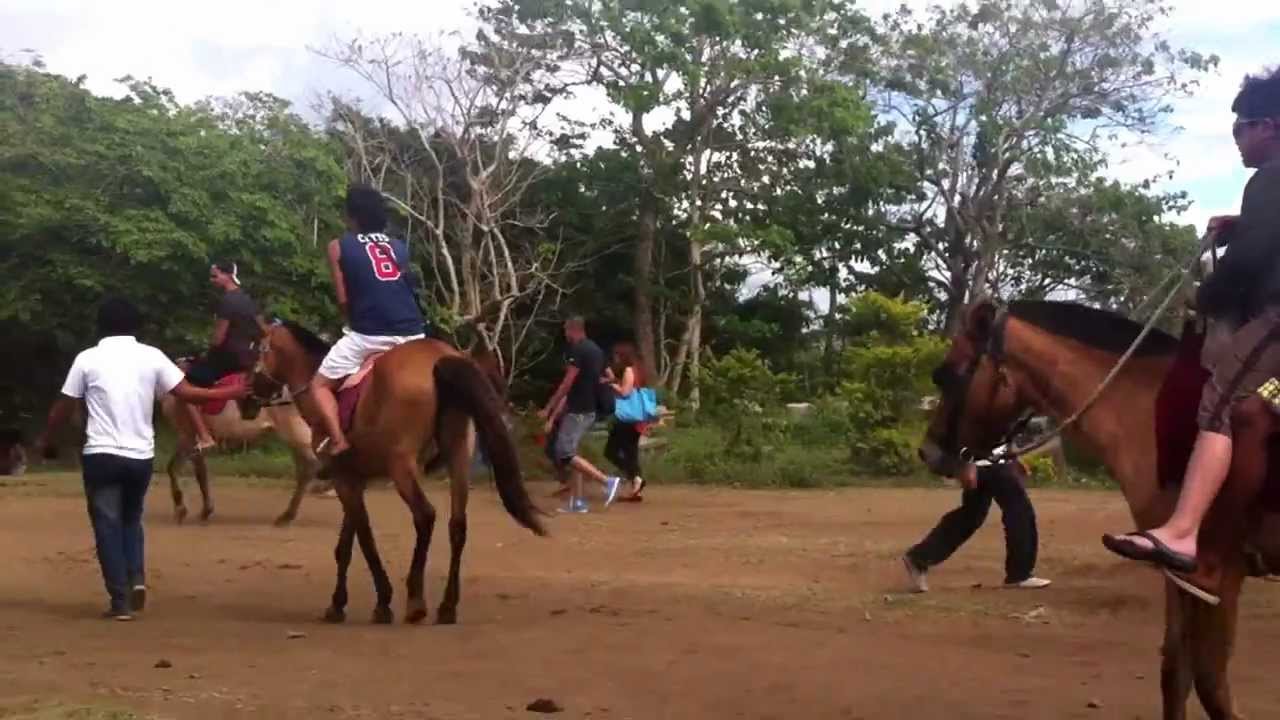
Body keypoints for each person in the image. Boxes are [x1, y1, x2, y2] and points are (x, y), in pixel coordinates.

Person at [1102, 67, 1280, 595]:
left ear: (1268, 125)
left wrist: (1206, 297)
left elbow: (1250, 262)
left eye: (1240, 131)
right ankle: (1234, 543)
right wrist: (1245, 224)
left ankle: (1185, 534)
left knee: (1221, 404)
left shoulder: (1270, 177)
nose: (1238, 143)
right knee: (1254, 413)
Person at [33, 297, 249, 621]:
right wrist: (229, 394)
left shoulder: (87, 359)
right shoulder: (152, 356)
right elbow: (189, 394)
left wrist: (46, 439)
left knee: (107, 524)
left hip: (101, 455)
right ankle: (136, 579)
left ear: (100, 325)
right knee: (131, 520)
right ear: (136, 326)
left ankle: (119, 600)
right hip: (140, 457)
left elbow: (64, 407)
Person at [309, 184, 427, 458]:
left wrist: (349, 320)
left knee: (319, 386)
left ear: (351, 215)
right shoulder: (399, 247)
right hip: (413, 333)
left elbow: (343, 300)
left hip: (370, 335)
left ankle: (338, 440)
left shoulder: (338, 246)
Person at [903, 450, 1051, 593]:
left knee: (972, 514)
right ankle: (1019, 573)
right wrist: (966, 463)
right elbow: (969, 431)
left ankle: (920, 557)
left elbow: (1002, 435)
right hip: (985, 463)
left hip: (986, 462)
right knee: (1018, 509)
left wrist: (1012, 459)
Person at [180, 261, 264, 453]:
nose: (212, 280)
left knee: (184, 387)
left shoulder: (227, 301)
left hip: (229, 357)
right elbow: (263, 329)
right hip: (250, 357)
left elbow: (218, 339)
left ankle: (204, 436)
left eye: (215, 275)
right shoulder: (248, 299)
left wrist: (201, 354)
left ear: (227, 276)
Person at [539, 316, 621, 513]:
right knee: (572, 453)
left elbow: (567, 383)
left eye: (566, 331)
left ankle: (607, 481)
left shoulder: (578, 351)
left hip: (579, 410)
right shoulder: (595, 350)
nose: (565, 335)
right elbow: (610, 377)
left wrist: (549, 408)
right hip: (589, 408)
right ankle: (577, 502)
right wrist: (593, 384)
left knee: (564, 452)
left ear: (573, 330)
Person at [603, 341, 649, 501]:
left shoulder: (629, 370)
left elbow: (625, 392)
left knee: (611, 451)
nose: (614, 358)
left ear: (623, 356)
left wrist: (611, 384)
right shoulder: (637, 369)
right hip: (635, 418)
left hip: (627, 419)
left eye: (616, 355)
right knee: (631, 453)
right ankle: (636, 485)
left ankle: (636, 478)